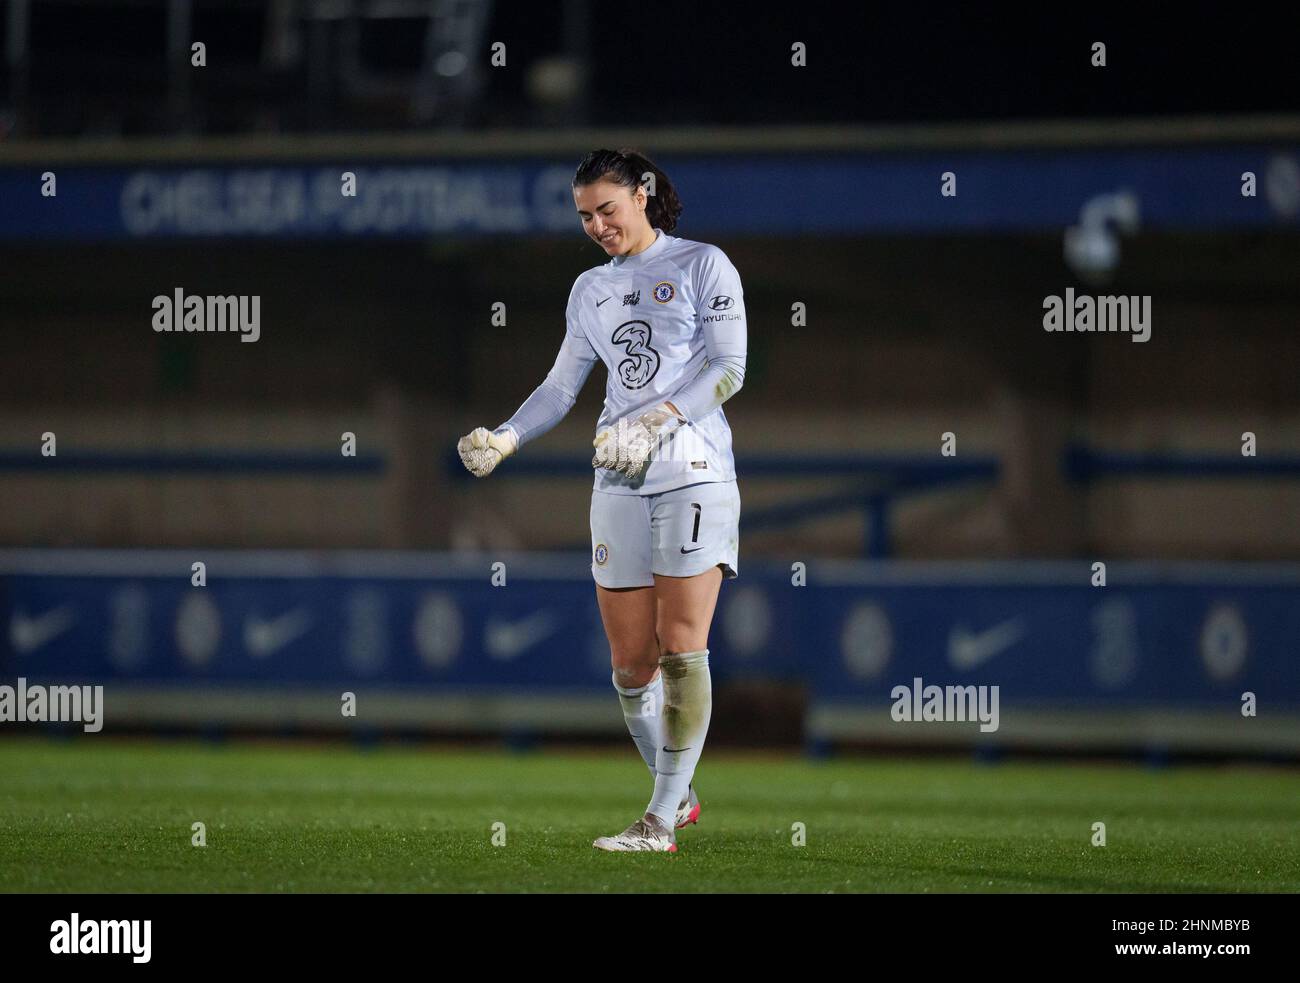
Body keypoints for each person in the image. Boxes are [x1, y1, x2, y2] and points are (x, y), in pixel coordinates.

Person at [457, 148, 746, 852]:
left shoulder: (704, 264)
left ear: (643, 195)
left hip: (692, 468)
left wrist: (656, 420)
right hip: (615, 476)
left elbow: (729, 368)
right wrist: (505, 438)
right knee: (629, 666)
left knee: (682, 648)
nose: (596, 225)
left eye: (607, 210)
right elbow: (561, 387)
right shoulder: (590, 288)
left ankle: (659, 819)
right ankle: (679, 796)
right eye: (584, 215)